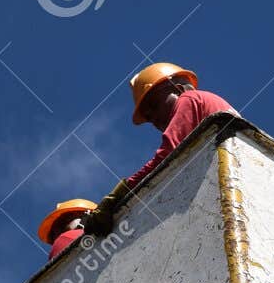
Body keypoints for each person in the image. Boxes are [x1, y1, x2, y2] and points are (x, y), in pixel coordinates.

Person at [83, 62, 236, 234]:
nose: (154, 119)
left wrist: (117, 196)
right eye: (148, 117)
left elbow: (168, 154)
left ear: (178, 89)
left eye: (155, 106)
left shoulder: (189, 99)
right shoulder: (207, 103)